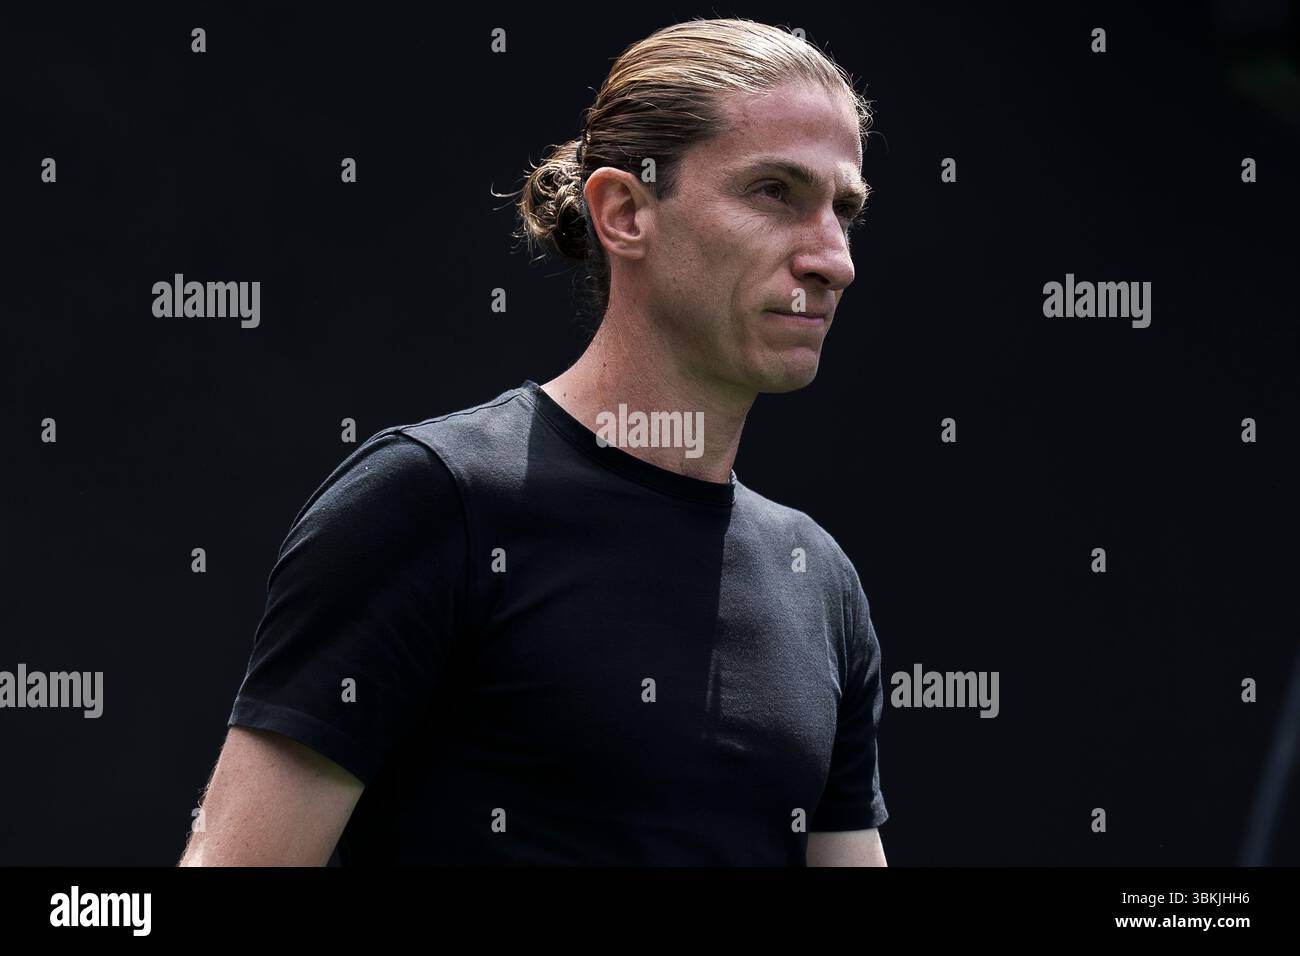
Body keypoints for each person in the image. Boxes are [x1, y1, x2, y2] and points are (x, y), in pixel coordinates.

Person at [180, 16, 887, 867]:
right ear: (625, 211)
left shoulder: (818, 580)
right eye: (774, 191)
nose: (832, 259)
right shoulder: (434, 501)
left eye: (843, 209)